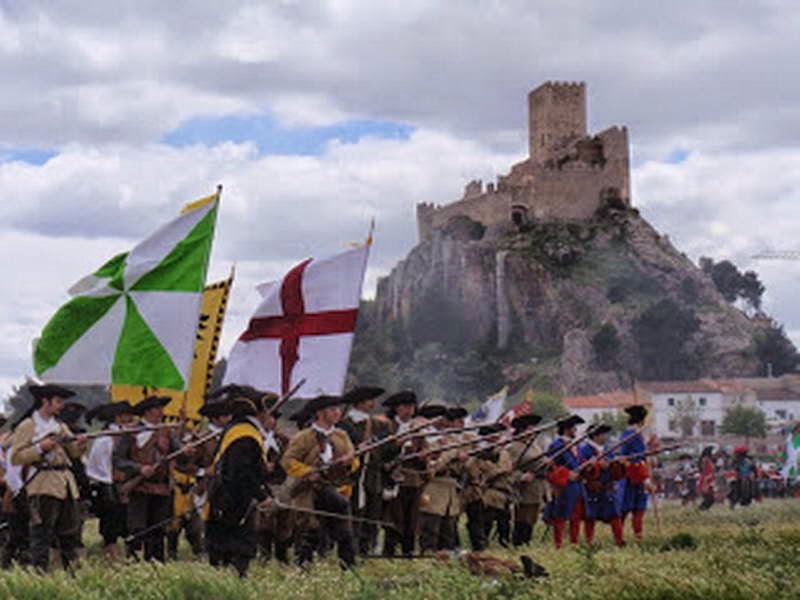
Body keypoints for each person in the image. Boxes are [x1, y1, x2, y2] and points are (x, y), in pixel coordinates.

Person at [10, 384, 88, 571]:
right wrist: (40, 448)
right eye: (58, 401)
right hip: (42, 484)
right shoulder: (28, 425)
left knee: (69, 534)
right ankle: (40, 574)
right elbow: (16, 457)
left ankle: (73, 574)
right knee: (42, 535)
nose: (61, 406)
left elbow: (74, 453)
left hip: (65, 484)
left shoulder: (60, 426)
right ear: (45, 401)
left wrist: (81, 444)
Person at [281, 394, 359, 569]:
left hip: (334, 488)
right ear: (320, 413)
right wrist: (308, 472)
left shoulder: (341, 435)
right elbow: (288, 461)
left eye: (337, 409)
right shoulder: (304, 437)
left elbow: (354, 460)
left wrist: (348, 463)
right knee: (310, 531)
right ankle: (302, 567)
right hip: (308, 490)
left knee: (344, 531)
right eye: (332, 409)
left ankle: (348, 567)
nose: (337, 413)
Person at [205, 387, 271, 577]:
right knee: (237, 550)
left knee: (226, 552)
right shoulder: (245, 435)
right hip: (234, 502)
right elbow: (242, 473)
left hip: (227, 499)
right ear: (258, 412)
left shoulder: (236, 430)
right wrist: (262, 496)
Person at [113, 395, 188, 562]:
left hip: (161, 488)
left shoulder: (168, 431)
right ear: (147, 412)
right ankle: (135, 564)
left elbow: (179, 455)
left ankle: (156, 565)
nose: (161, 412)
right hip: (139, 487)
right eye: (157, 409)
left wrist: (186, 451)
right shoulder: (131, 431)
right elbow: (118, 460)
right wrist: (140, 468)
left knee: (158, 530)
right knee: (137, 530)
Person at [337, 386, 389, 556]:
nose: (372, 403)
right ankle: (352, 551)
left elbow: (386, 452)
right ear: (359, 402)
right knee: (354, 514)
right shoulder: (345, 424)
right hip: (354, 475)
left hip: (373, 475)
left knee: (372, 515)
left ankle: (367, 550)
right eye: (369, 400)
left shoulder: (379, 425)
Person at [84, 401, 136, 561]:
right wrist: (112, 479)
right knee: (110, 530)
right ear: (119, 418)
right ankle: (111, 560)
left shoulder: (129, 437)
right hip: (109, 488)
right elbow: (96, 467)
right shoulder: (104, 440)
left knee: (131, 528)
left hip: (127, 486)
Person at [381, 391, 424, 557]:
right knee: (392, 518)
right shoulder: (388, 427)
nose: (409, 410)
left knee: (411, 519)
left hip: (412, 479)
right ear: (396, 408)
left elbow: (424, 450)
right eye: (405, 407)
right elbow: (383, 452)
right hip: (392, 479)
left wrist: (423, 456)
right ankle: (389, 551)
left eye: (412, 407)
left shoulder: (418, 429)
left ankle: (408, 551)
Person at [417, 405, 463, 554]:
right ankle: (428, 554)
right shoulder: (428, 439)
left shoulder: (453, 441)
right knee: (431, 526)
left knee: (448, 529)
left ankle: (446, 555)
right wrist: (448, 455)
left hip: (450, 487)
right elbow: (431, 466)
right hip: (433, 487)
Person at [463, 423, 513, 550]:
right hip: (477, 492)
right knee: (480, 523)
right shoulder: (476, 453)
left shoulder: (499, 452)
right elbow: (472, 470)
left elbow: (506, 469)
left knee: (496, 522)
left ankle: (489, 546)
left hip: (495, 492)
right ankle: (479, 548)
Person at [543, 415, 585, 548]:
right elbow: (550, 467)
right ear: (567, 429)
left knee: (576, 516)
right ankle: (558, 544)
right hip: (563, 485)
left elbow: (578, 462)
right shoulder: (556, 445)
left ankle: (574, 542)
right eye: (573, 428)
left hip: (577, 484)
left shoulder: (575, 445)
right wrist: (567, 474)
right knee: (560, 516)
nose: (575, 430)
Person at [578, 424, 624, 546]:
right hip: (593, 488)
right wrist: (596, 464)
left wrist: (614, 464)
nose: (605, 437)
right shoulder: (584, 449)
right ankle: (589, 543)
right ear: (595, 436)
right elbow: (582, 469)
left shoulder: (608, 449)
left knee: (615, 515)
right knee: (590, 518)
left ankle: (619, 541)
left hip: (608, 487)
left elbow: (614, 466)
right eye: (603, 434)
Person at [506, 414, 545, 547]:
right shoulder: (514, 447)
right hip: (523, 488)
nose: (533, 431)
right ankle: (518, 544)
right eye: (530, 428)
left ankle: (526, 543)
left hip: (536, 487)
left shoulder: (534, 445)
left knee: (532, 518)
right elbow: (507, 468)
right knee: (522, 518)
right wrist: (520, 477)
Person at [617, 405, 650, 541]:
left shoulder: (626, 435)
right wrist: (645, 477)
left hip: (630, 475)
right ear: (641, 422)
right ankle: (633, 536)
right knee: (633, 508)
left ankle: (626, 536)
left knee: (630, 508)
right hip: (634, 475)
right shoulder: (634, 436)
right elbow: (638, 457)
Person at [697, 446, 716, 511]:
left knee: (711, 498)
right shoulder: (705, 460)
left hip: (710, 479)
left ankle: (703, 510)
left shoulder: (710, 460)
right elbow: (703, 470)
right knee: (709, 498)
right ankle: (701, 509)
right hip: (706, 479)